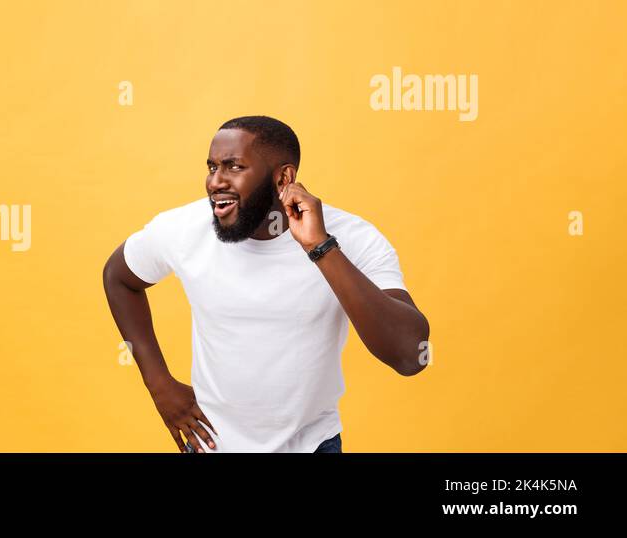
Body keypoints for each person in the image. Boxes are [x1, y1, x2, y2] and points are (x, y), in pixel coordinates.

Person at [102, 116, 430, 453]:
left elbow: (409, 355)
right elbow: (118, 278)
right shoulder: (183, 228)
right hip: (212, 445)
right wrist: (159, 384)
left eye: (233, 167)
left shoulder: (352, 237)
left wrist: (320, 247)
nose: (216, 181)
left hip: (314, 446)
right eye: (212, 167)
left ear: (283, 178)